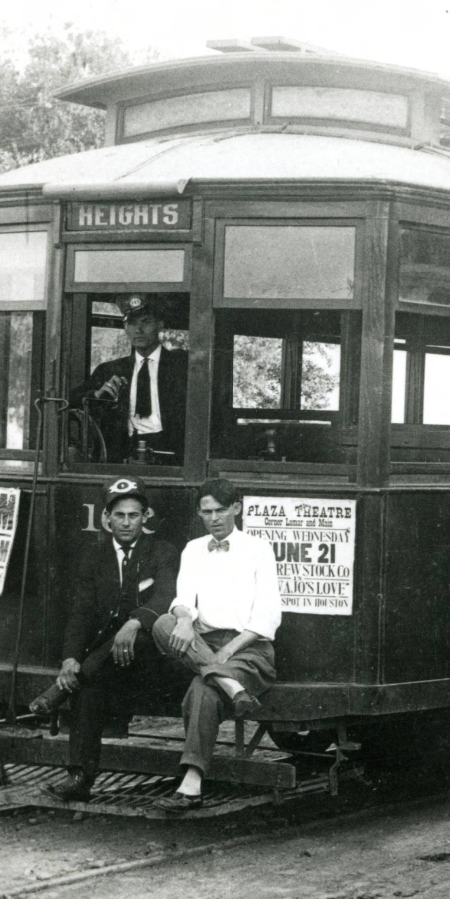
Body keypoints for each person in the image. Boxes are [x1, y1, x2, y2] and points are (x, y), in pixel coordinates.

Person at [39, 477, 181, 802]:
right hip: (105, 662)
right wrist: (70, 659)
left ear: (146, 516)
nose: (127, 522)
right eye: (120, 516)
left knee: (135, 640)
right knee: (87, 685)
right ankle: (79, 778)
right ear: (107, 519)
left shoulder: (162, 552)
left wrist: (135, 622)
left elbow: (165, 596)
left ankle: (59, 691)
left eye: (134, 515)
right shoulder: (94, 556)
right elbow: (81, 612)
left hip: (151, 657)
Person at [148, 478, 282, 814]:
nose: (214, 518)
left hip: (248, 650)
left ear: (236, 508)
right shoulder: (194, 548)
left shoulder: (258, 549)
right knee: (163, 623)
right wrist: (181, 618)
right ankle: (227, 684)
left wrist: (227, 653)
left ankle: (191, 784)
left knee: (201, 686)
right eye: (206, 511)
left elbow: (267, 616)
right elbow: (182, 600)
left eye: (221, 510)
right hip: (201, 644)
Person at [69, 294, 188, 466]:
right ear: (125, 327)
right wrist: (96, 394)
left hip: (172, 458)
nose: (138, 329)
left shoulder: (182, 367)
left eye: (146, 321)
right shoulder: (110, 370)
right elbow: (69, 400)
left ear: (160, 325)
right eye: (131, 323)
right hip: (122, 457)